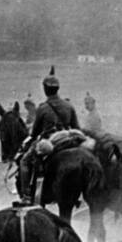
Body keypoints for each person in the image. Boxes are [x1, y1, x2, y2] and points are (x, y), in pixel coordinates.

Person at [20, 65, 79, 200]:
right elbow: (77, 129)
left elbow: (34, 133)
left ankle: (26, 195)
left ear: (46, 90)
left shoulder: (43, 108)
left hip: (49, 143)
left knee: (24, 161)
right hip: (67, 141)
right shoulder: (69, 106)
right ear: (57, 89)